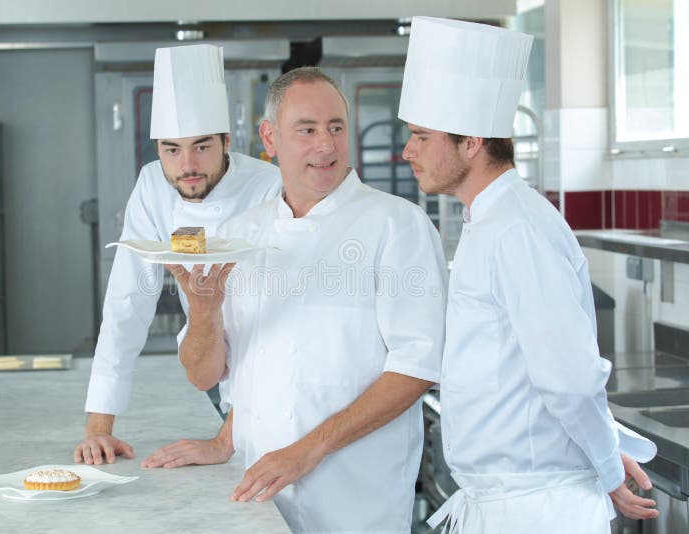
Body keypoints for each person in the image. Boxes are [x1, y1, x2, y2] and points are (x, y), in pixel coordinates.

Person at [397, 17, 659, 532]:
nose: (407, 151)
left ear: (471, 142)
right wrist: (601, 450)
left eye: (421, 137)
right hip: (509, 503)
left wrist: (605, 465)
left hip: (536, 511)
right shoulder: (489, 220)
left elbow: (571, 379)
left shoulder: (518, 230)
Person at [164, 67, 448, 532]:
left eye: (336, 127)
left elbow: (416, 368)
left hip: (357, 497)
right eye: (308, 130)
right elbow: (204, 374)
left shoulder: (398, 225)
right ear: (270, 137)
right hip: (257, 494)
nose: (326, 145)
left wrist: (307, 450)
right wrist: (205, 312)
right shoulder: (239, 236)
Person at [73, 44, 281, 465]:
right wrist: (99, 429)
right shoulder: (152, 186)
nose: (187, 165)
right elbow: (126, 304)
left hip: (282, 388)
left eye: (202, 147)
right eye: (171, 149)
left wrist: (225, 440)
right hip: (224, 387)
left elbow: (283, 333)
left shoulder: (269, 186)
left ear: (226, 142)